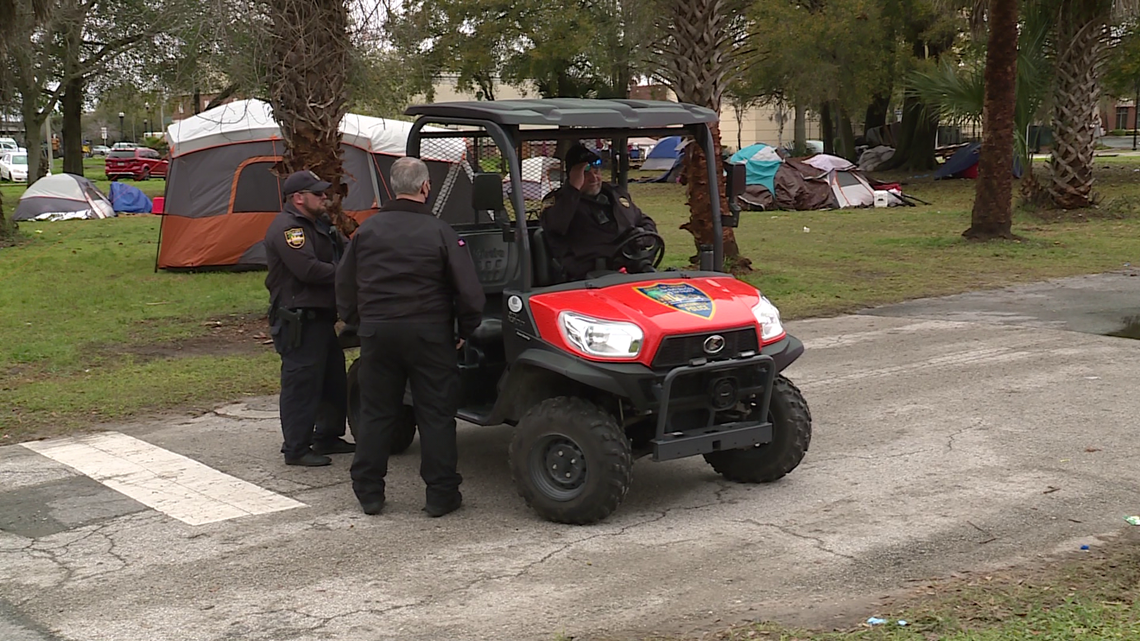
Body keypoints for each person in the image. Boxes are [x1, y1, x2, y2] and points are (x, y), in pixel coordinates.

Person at [336, 157, 485, 517]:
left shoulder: (367, 232)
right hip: (429, 335)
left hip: (378, 334)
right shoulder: (440, 232)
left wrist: (360, 322)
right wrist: (463, 330)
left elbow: (343, 284)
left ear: (391, 187)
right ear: (425, 187)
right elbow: (469, 293)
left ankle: (369, 491)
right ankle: (440, 494)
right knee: (435, 414)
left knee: (375, 413)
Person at [264, 170, 354, 467]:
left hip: (321, 316)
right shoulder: (289, 229)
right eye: (318, 194)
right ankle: (296, 447)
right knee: (301, 382)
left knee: (331, 378)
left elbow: (345, 252)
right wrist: (350, 273)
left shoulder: (319, 224)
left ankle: (327, 435)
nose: (324, 197)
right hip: (299, 318)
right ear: (298, 198)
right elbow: (309, 270)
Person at [540, 142, 658, 280]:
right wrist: (573, 189)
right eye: (585, 173)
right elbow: (555, 226)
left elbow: (644, 220)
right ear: (572, 175)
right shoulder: (558, 201)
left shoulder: (615, 194)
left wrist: (642, 238)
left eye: (596, 171)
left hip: (632, 268)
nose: (594, 178)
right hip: (590, 278)